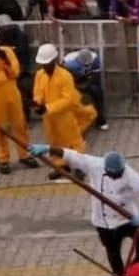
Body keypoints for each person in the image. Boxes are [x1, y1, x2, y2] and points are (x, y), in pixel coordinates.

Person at [28, 146, 139, 275]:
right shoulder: (94, 164)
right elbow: (70, 155)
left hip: (127, 218)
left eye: (119, 174)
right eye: (114, 174)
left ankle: (135, 271)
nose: (117, 177)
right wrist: (47, 148)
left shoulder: (129, 174)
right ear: (106, 169)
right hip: (104, 223)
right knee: (113, 253)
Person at [0, 25, 39, 174]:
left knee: (20, 125)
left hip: (13, 94)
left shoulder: (8, 51)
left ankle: (25, 154)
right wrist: (4, 73)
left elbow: (16, 71)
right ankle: (3, 158)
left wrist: (2, 72)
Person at [33, 43, 96, 181]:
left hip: (64, 115)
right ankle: (60, 166)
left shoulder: (65, 76)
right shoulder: (40, 75)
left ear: (54, 60)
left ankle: (79, 167)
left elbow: (67, 99)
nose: (44, 66)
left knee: (74, 142)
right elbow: (38, 92)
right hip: (48, 117)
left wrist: (48, 107)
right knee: (54, 142)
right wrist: (38, 103)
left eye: (47, 63)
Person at [64, 48, 109, 130]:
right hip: (71, 80)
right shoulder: (68, 61)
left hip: (88, 79)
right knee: (69, 97)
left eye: (88, 65)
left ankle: (100, 121)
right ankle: (71, 122)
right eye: (85, 65)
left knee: (97, 91)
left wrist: (86, 86)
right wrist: (74, 86)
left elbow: (95, 78)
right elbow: (63, 77)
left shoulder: (95, 60)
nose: (87, 66)